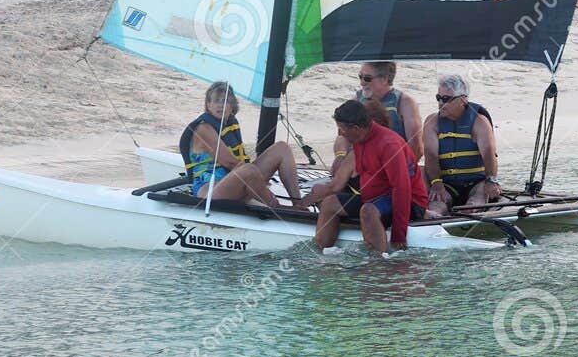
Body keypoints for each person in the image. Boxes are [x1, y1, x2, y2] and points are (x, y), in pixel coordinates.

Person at [314, 100, 428, 253]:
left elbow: (402, 189)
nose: (340, 134)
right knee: (330, 203)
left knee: (368, 210)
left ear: (356, 128)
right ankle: (319, 255)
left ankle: (377, 264)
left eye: (341, 129)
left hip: (409, 202)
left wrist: (398, 237)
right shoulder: (359, 139)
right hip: (376, 199)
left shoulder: (389, 144)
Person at [180, 82, 310, 213]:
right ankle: (276, 207)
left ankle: (299, 203)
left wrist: (258, 181)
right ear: (208, 105)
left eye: (225, 101)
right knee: (248, 170)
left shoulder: (229, 124)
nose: (220, 105)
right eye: (216, 101)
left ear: (232, 106)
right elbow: (230, 163)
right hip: (210, 192)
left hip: (235, 184)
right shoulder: (204, 128)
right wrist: (260, 182)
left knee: (282, 148)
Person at [422, 75, 501, 217]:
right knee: (436, 203)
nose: (440, 103)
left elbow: (489, 154)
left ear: (463, 99)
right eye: (438, 97)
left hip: (477, 182)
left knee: (478, 196)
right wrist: (436, 183)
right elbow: (431, 156)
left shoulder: (479, 122)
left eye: (446, 99)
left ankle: (471, 209)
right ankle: (434, 215)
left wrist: (491, 180)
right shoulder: (432, 122)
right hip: (446, 184)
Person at [355, 62, 423, 160]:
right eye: (360, 77)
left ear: (384, 79)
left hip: (394, 165)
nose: (362, 83)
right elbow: (343, 136)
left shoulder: (405, 103)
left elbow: (416, 149)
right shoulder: (356, 100)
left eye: (367, 78)